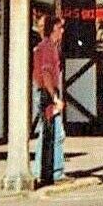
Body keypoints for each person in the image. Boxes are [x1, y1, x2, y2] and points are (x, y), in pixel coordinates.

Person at [31, 15, 66, 184]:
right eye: (60, 28)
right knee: (54, 133)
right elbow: (45, 74)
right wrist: (54, 97)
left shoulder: (49, 47)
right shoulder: (47, 48)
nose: (62, 31)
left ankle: (44, 170)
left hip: (46, 91)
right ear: (53, 29)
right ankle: (55, 172)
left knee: (48, 132)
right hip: (47, 93)